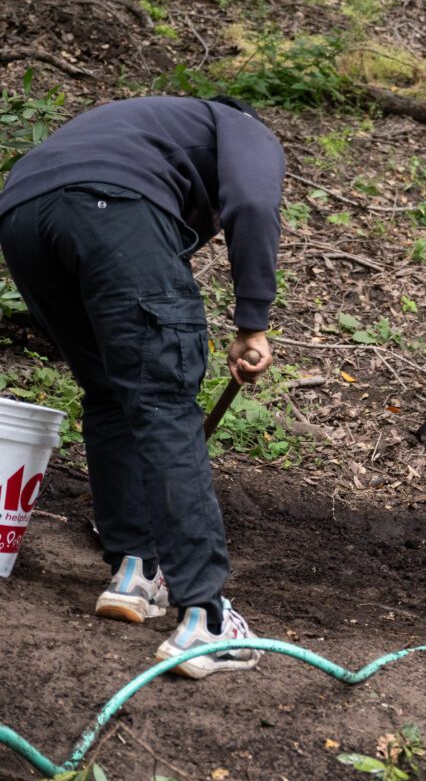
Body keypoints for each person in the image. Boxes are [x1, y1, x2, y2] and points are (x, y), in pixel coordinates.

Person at [0, 96, 285, 679]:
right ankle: (207, 619)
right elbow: (254, 201)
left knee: (109, 391)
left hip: (23, 216)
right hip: (113, 209)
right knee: (163, 401)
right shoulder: (243, 126)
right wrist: (252, 320)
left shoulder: (149, 124)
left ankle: (136, 571)